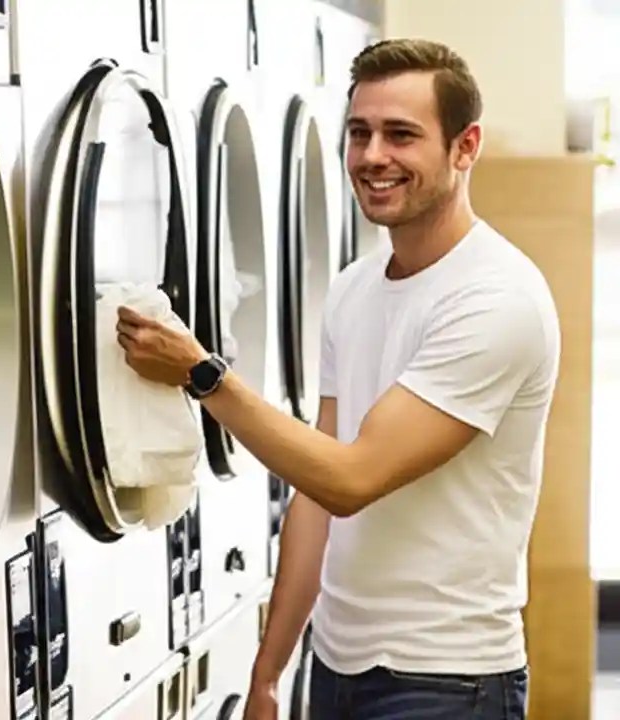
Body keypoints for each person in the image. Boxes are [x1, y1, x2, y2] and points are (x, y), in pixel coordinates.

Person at [116, 38, 560, 719]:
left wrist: (203, 375)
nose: (373, 156)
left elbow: (351, 480)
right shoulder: (355, 291)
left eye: (402, 135)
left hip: (447, 682)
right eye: (360, 133)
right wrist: (269, 671)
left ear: (464, 147)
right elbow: (315, 494)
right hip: (339, 668)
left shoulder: (496, 299)